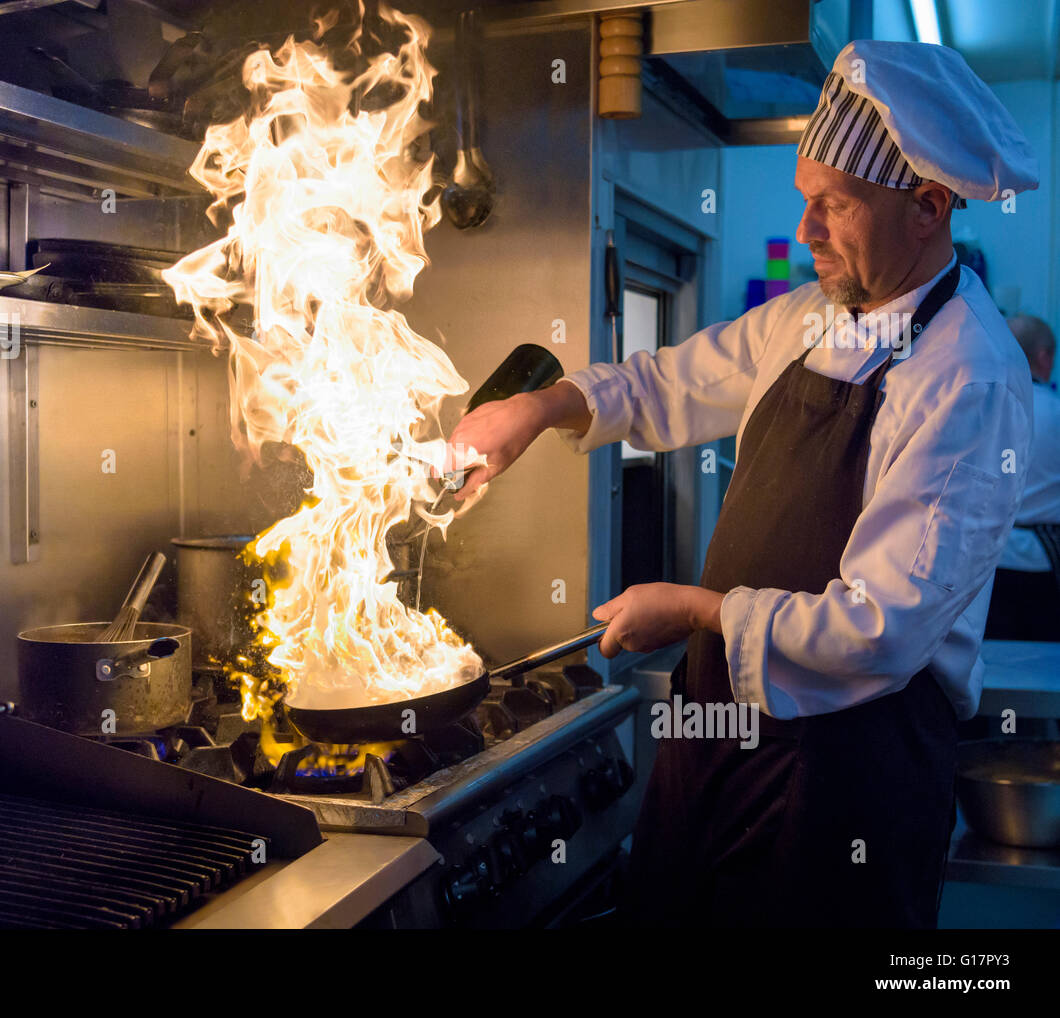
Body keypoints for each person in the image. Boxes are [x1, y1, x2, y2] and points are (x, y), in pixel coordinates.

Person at [445, 39, 1038, 928]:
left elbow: (876, 628)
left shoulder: (970, 375)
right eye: (806, 200)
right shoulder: (813, 316)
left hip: (850, 777)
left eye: (834, 207)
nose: (807, 234)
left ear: (927, 205)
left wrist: (694, 612)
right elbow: (667, 383)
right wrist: (542, 407)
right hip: (719, 739)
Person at [984, 315, 1060, 640]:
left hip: (983, 561)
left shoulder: (978, 409)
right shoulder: (1055, 412)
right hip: (1042, 562)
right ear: (1044, 357)